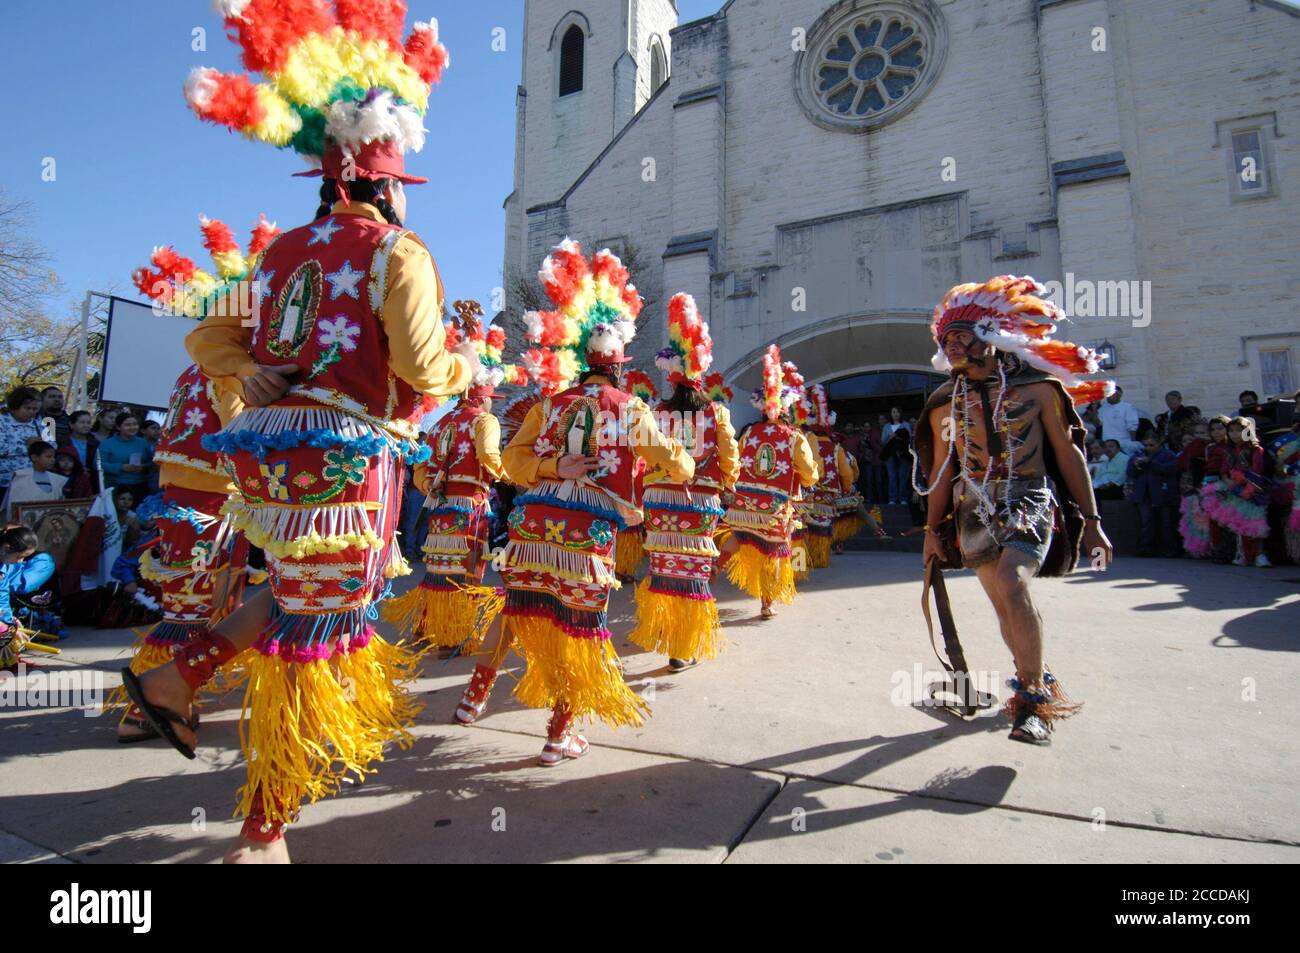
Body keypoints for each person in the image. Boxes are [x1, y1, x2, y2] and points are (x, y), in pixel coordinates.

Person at [122, 4, 465, 864]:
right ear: (386, 183)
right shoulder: (398, 251)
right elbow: (424, 368)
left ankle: (177, 674)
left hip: (271, 463)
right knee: (320, 633)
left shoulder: (277, 257)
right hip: (347, 462)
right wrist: (465, 373)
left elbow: (207, 339)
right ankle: (260, 831)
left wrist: (254, 373)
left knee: (300, 596)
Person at [450, 240, 692, 763]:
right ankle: (559, 734)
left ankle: (471, 700)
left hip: (532, 522)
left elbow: (511, 463)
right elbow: (665, 455)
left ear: (584, 360)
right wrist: (685, 464)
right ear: (620, 366)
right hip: (585, 533)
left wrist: (553, 466)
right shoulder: (628, 406)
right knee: (577, 623)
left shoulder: (550, 404)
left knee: (516, 607)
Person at [914, 275, 1113, 745]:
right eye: (948, 339)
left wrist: (1092, 523)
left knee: (1012, 582)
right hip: (973, 505)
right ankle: (1031, 671)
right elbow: (943, 470)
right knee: (1004, 605)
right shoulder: (945, 405)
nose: (955, 345)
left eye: (963, 336)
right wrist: (930, 528)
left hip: (1028, 498)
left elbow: (1069, 454)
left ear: (992, 337)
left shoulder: (1040, 390)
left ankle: (1033, 702)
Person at [383, 300, 526, 655]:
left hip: (440, 504)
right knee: (466, 571)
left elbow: (420, 468)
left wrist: (428, 485)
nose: (493, 403)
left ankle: (427, 627)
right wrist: (514, 477)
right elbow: (491, 458)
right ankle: (452, 636)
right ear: (484, 396)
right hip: (470, 505)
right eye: (492, 397)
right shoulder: (484, 421)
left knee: (437, 567)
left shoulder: (443, 423)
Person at [628, 295, 739, 672]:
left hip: (660, 500)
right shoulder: (716, 412)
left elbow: (642, 455)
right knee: (693, 571)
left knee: (664, 566)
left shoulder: (658, 412)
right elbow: (730, 457)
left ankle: (670, 636)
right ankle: (683, 644)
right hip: (700, 502)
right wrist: (729, 484)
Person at [717, 345, 819, 619]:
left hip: (743, 504)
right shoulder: (794, 436)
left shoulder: (749, 433)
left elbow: (735, 461)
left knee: (737, 538)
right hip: (775, 507)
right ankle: (766, 603)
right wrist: (808, 478)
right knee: (774, 552)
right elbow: (809, 473)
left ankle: (709, 574)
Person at [1201, 416, 1271, 567]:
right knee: (1239, 523)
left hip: (1253, 490)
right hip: (1235, 490)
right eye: (1231, 431)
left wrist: (1245, 482)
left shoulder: (1255, 449)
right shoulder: (1229, 450)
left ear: (1247, 431)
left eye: (1238, 430)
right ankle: (1243, 554)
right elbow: (1224, 469)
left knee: (1255, 523)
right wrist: (1228, 480)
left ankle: (1259, 554)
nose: (1234, 434)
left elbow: (1257, 470)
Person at [0, 526, 56, 671]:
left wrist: (9, 620)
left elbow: (2, 595)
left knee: (11, 630)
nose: (20, 562)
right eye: (19, 556)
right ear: (6, 548)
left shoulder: (4, 566)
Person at [1128, 434, 1181, 557]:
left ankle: (1170, 550)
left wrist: (1150, 463)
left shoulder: (1168, 455)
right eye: (1146, 445)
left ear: (1159, 444)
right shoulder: (1138, 455)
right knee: (1147, 522)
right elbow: (1130, 472)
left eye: (1152, 445)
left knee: (1166, 523)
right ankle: (1146, 549)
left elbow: (1172, 470)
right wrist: (1137, 465)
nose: (1148, 448)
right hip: (1144, 494)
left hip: (1163, 493)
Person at [2, 441, 67, 521]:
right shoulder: (21, 477)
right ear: (34, 457)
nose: (53, 460)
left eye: (54, 457)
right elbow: (12, 506)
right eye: (48, 457)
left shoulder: (57, 480)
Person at [1176, 421, 1212, 558]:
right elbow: (1180, 465)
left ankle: (1208, 548)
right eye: (1196, 433)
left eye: (1202, 433)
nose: (1199, 436)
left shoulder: (1209, 447)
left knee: (1205, 520)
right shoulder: (1191, 449)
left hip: (1206, 487)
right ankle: (1196, 549)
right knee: (1193, 519)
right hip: (1191, 489)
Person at [0, 387, 43, 495]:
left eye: (35, 409)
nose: (31, 412)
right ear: (15, 406)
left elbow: (52, 445)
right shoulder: (2, 421)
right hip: (6, 481)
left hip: (33, 479)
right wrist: (27, 447)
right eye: (27, 408)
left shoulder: (39, 422)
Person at [97, 414, 153, 492]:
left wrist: (144, 467)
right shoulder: (107, 444)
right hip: (114, 485)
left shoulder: (143, 443)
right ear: (118, 427)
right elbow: (98, 464)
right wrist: (121, 467)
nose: (132, 427)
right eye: (128, 425)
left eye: (135, 424)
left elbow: (152, 462)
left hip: (140, 485)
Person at [1097, 385, 1142, 454]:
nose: (1107, 396)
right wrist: (1094, 409)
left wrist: (1132, 442)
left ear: (1118, 395)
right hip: (1107, 444)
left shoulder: (1127, 407)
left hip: (1124, 443)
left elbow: (1132, 426)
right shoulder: (1103, 408)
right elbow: (1098, 423)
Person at [881, 407, 911, 504]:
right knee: (892, 476)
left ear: (901, 413)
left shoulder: (906, 424)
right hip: (890, 454)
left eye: (898, 411)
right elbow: (883, 441)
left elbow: (909, 439)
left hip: (902, 454)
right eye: (893, 412)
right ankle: (892, 499)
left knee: (903, 476)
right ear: (890, 414)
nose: (896, 414)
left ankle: (903, 498)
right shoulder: (886, 426)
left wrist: (897, 435)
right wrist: (890, 436)